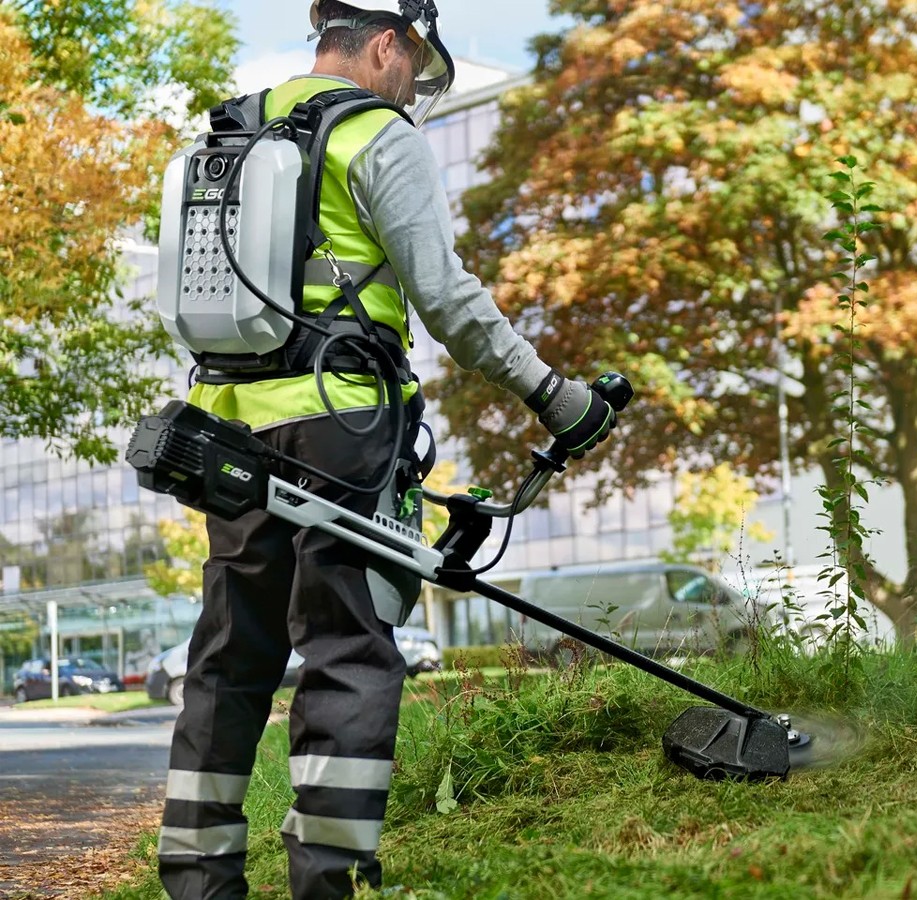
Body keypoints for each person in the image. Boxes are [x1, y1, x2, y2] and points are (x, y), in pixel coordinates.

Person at [155, 2, 616, 897]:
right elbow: (446, 300)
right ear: (382, 43)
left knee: (229, 656)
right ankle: (328, 880)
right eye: (412, 64)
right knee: (349, 647)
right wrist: (556, 399)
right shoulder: (377, 135)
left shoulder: (236, 129)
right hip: (343, 427)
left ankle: (197, 882)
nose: (412, 86)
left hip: (229, 432)